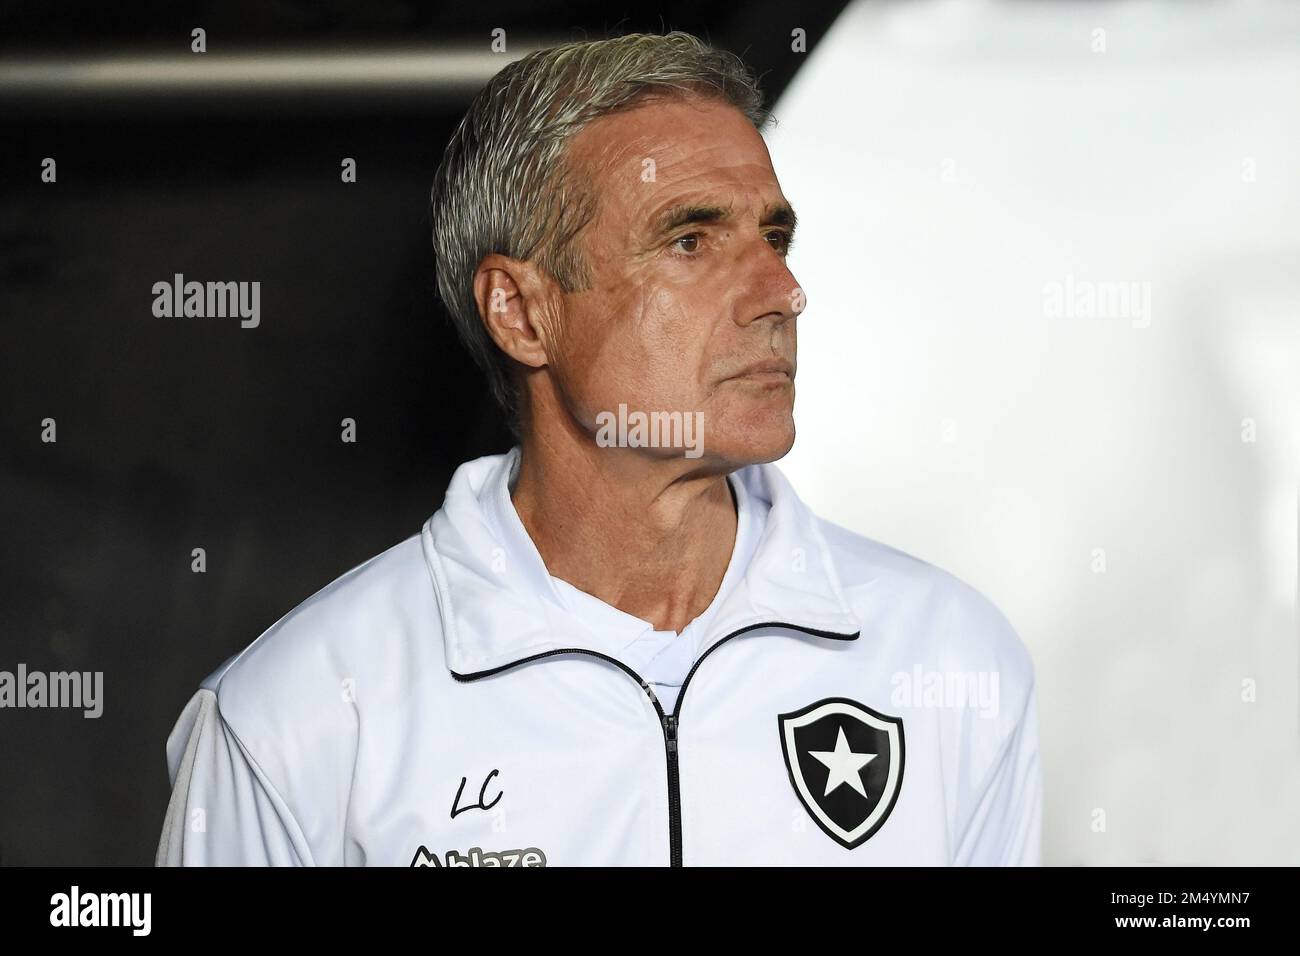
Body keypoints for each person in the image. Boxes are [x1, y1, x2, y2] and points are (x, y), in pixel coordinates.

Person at [156, 31, 1041, 867]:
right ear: (521, 312)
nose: (782, 291)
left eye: (773, 237)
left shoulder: (950, 660)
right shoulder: (295, 714)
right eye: (690, 241)